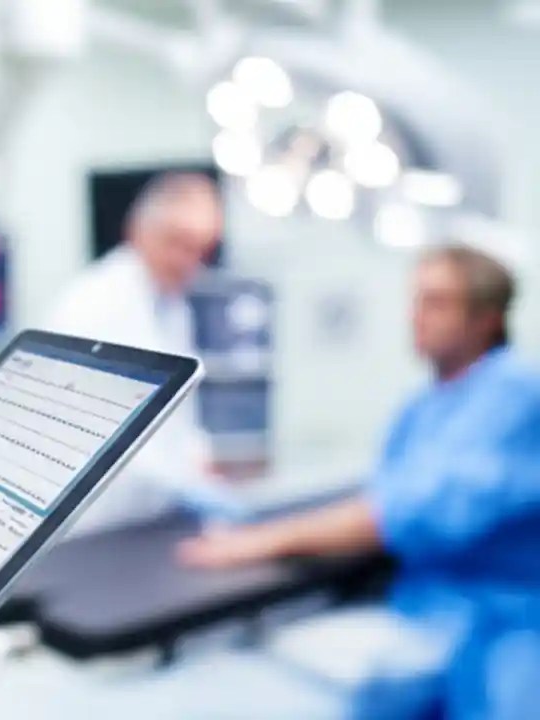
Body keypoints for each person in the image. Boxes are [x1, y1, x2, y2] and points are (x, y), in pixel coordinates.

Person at [179, 245, 540, 719]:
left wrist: (258, 541)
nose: (417, 317)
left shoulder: (515, 393)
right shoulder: (426, 404)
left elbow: (407, 511)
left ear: (486, 318)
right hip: (422, 608)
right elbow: (388, 491)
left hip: (502, 626)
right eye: (416, 301)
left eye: (437, 302)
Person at [46, 172, 223, 532]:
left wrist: (200, 461)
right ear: (136, 230)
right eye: (177, 243)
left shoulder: (170, 305)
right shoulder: (98, 304)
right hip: (98, 518)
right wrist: (196, 487)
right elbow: (121, 434)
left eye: (199, 250)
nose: (187, 261)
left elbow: (180, 413)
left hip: (146, 512)